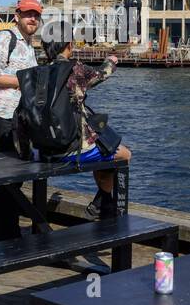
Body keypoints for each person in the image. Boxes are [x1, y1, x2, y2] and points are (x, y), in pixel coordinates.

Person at [39, 34, 132, 219]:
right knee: (123, 155)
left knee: (105, 147)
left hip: (45, 148)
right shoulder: (75, 70)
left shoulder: (39, 72)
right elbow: (100, 75)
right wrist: (111, 62)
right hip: (71, 148)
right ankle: (104, 202)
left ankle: (102, 205)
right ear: (68, 46)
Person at [0, 0, 42, 241]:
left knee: (14, 171)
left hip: (20, 115)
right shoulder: (4, 39)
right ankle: (4, 234)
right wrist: (25, 82)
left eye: (36, 15)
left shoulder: (28, 45)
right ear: (17, 16)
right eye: (28, 14)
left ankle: (4, 231)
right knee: (10, 169)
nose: (32, 19)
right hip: (2, 113)